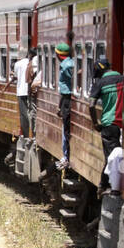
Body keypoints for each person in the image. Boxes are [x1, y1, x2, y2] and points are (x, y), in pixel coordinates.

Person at [89, 58, 124, 192]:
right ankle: (116, 185)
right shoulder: (123, 79)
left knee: (111, 157)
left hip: (109, 124)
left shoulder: (100, 83)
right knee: (123, 155)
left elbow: (91, 105)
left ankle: (108, 186)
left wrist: (95, 123)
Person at [12, 44, 40, 139]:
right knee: (30, 112)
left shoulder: (18, 64)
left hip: (21, 91)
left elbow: (15, 75)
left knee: (24, 114)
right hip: (29, 91)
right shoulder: (32, 62)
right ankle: (32, 133)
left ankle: (26, 134)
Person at [55, 42, 73, 170]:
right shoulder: (69, 63)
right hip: (65, 100)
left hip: (67, 100)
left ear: (58, 54)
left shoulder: (66, 66)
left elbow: (67, 86)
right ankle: (65, 155)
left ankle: (66, 156)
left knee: (66, 128)